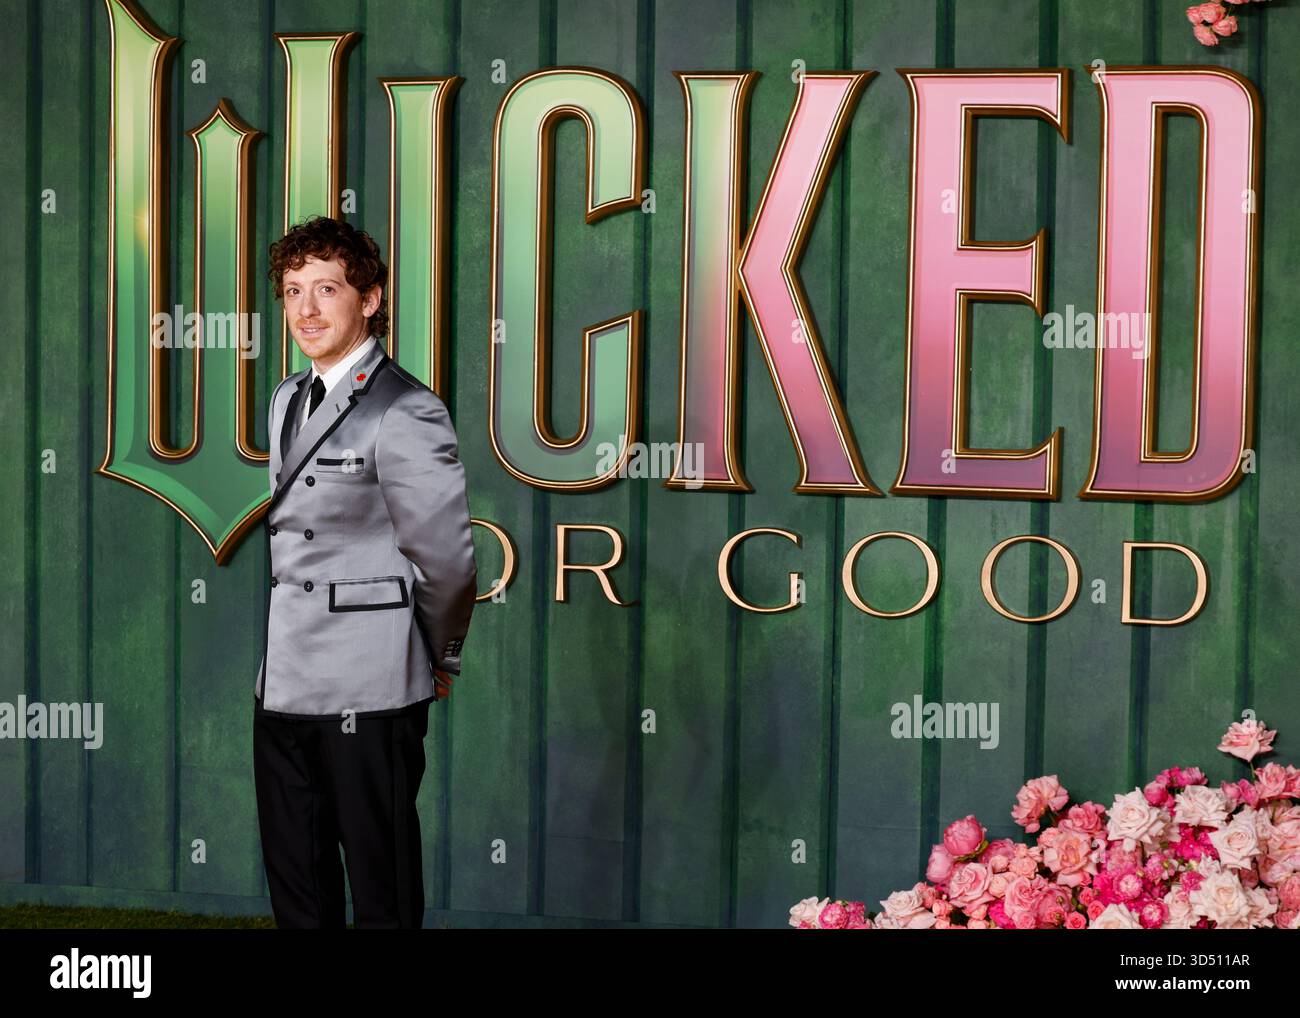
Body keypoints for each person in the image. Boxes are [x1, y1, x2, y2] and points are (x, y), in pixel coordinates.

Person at [252, 215, 477, 928]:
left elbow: (446, 560)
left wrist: (437, 655)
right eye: (293, 292)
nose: (306, 310)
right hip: (284, 679)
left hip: (371, 684)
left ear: (370, 299)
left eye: (327, 289)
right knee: (298, 885)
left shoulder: (407, 408)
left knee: (383, 889)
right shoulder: (287, 397)